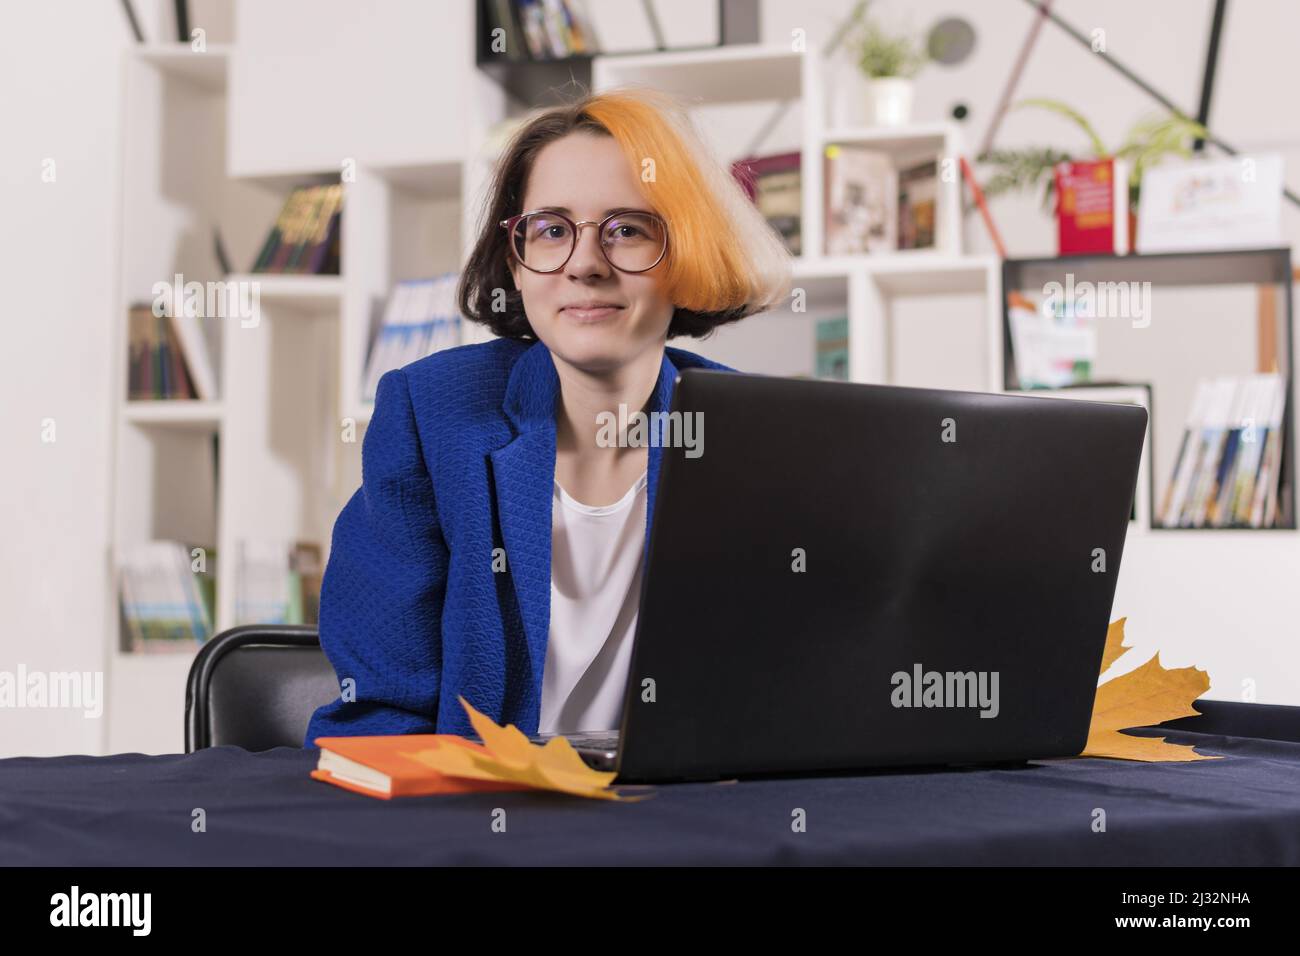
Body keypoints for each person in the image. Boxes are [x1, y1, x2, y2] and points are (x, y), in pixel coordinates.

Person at [304, 87, 791, 744]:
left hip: (683, 824)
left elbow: (791, 704)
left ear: (687, 256)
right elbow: (383, 714)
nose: (585, 265)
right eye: (552, 230)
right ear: (517, 259)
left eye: (627, 229)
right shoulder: (431, 416)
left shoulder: (756, 441)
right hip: (484, 821)